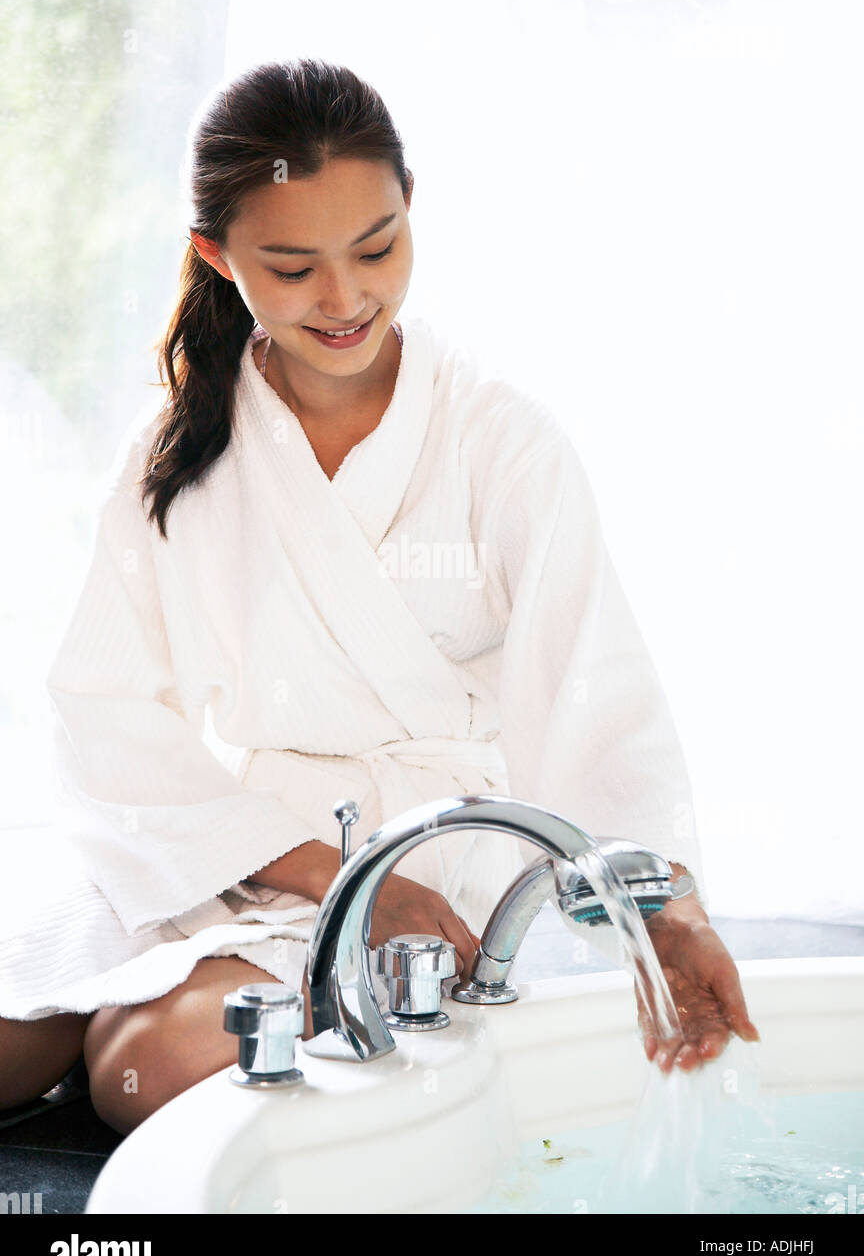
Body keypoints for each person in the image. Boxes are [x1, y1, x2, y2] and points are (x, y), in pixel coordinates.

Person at [0, 59, 758, 1136]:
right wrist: (320, 871)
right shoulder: (175, 447)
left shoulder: (502, 442)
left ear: (413, 211)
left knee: (162, 1054)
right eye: (293, 265)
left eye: (377, 246)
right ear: (217, 257)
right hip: (227, 842)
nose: (347, 298)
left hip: (418, 852)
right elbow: (103, 713)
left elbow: (596, 700)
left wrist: (668, 915)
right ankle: (122, 1015)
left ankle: (138, 1028)